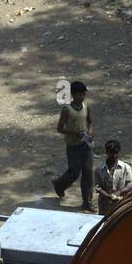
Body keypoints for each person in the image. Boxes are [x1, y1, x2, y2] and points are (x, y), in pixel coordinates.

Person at [53, 81, 95, 211]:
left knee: (88, 174)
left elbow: (90, 122)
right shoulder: (67, 110)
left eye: (83, 94)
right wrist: (74, 132)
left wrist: (90, 132)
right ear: (73, 95)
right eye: (79, 94)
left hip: (86, 146)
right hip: (73, 146)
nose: (81, 97)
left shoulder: (86, 106)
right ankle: (59, 185)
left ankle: (87, 202)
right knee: (74, 173)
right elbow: (59, 128)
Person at [94, 140, 132, 215]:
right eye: (112, 153)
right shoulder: (99, 170)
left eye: (116, 153)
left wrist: (119, 192)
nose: (114, 156)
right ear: (107, 153)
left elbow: (130, 185)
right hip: (104, 205)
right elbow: (98, 187)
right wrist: (107, 195)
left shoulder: (126, 167)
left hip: (121, 203)